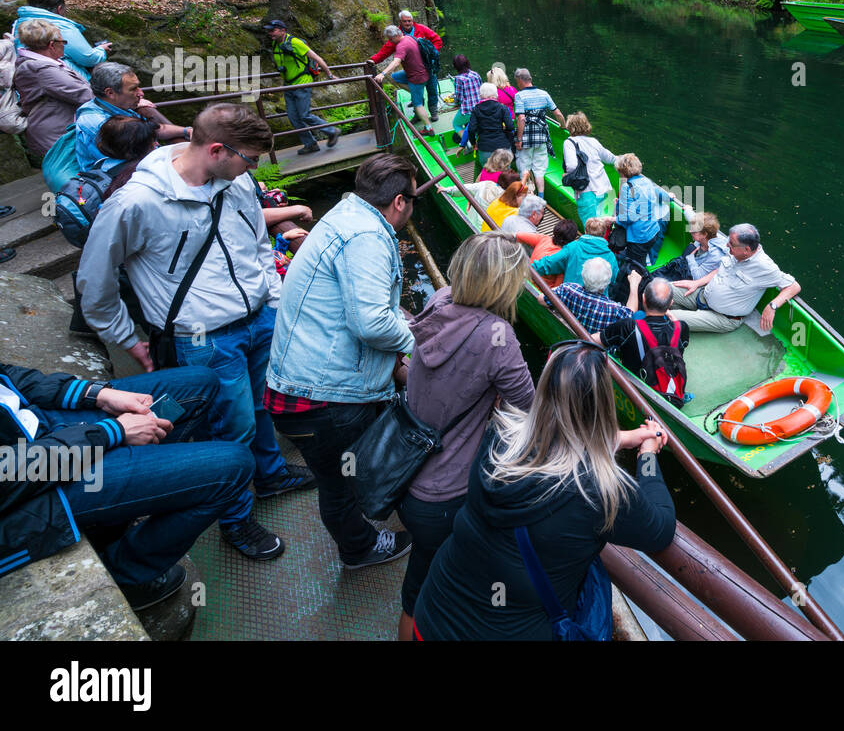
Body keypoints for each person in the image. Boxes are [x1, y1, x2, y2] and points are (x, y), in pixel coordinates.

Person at [77, 103, 316, 561]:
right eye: (248, 158)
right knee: (232, 428)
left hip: (258, 318)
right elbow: (95, 281)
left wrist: (273, 301)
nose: (253, 170)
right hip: (204, 337)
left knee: (262, 406)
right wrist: (127, 336)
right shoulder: (136, 202)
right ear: (216, 149)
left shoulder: (236, 180)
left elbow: (255, 246)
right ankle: (236, 519)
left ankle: (268, 475)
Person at [411, 341, 673, 640]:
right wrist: (648, 455)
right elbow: (660, 528)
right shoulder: (601, 490)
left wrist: (623, 438)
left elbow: (559, 437)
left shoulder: (500, 437)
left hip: (435, 613)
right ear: (603, 403)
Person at [265, 154, 420, 570]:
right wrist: (422, 344)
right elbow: (370, 321)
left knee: (340, 477)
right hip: (322, 396)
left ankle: (364, 532)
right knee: (340, 484)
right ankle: (359, 548)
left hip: (301, 383)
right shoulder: (367, 236)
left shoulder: (346, 215)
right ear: (400, 202)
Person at [1, 361, 253, 610]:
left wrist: (97, 394)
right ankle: (128, 576)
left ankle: (120, 511)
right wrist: (112, 431)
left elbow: (8, 375)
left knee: (200, 383)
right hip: (33, 485)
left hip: (33, 422)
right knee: (234, 467)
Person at [400, 232, 537, 640]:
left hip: (408, 477)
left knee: (416, 587)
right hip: (447, 495)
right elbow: (530, 408)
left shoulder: (439, 300)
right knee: (444, 597)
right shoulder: (498, 336)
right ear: (506, 284)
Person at [668, 223, 802, 334]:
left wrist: (772, 306)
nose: (727, 246)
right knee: (657, 291)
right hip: (702, 296)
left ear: (747, 249)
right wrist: (697, 283)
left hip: (722, 317)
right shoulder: (736, 252)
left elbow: (794, 286)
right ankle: (682, 312)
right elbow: (719, 270)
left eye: (731, 244)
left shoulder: (765, 267)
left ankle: (679, 315)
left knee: (666, 318)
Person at [75, 62, 188, 172]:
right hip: (116, 180)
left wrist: (186, 131)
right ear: (110, 93)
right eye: (134, 89)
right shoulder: (97, 123)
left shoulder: (117, 105)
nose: (141, 93)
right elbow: (131, 165)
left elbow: (154, 130)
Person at [597, 277, 691, 407]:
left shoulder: (627, 326)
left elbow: (593, 340)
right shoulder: (682, 328)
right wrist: (676, 323)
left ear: (643, 299)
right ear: (671, 304)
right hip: (669, 393)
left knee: (638, 316)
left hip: (635, 390)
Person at [11, 18, 90, 158]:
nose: (64, 45)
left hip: (59, 133)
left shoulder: (41, 64)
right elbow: (83, 94)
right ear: (52, 45)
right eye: (63, 42)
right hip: (56, 137)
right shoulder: (40, 69)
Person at [264, 19, 339, 155]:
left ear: (282, 30)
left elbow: (317, 58)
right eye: (269, 30)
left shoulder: (295, 42)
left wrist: (329, 75)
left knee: (304, 115)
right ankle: (310, 144)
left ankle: (331, 131)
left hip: (302, 82)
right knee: (293, 118)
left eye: (273, 30)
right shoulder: (275, 44)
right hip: (288, 86)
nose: (270, 33)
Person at [10, 0, 110, 82]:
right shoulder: (62, 27)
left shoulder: (20, 23)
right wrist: (101, 50)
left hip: (28, 79)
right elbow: (88, 58)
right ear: (59, 9)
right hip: (66, 80)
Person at [615, 153, 674, 269]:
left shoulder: (627, 187)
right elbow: (660, 194)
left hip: (639, 235)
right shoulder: (646, 181)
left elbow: (626, 218)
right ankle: (645, 263)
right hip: (653, 230)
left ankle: (637, 276)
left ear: (622, 172)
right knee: (641, 256)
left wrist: (613, 219)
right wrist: (669, 196)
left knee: (634, 264)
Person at [512, 68, 564, 199]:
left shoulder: (519, 96)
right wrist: (563, 126)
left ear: (519, 81)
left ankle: (527, 197)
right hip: (541, 138)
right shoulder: (544, 94)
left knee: (524, 168)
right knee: (539, 170)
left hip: (526, 139)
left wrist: (519, 139)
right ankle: (540, 197)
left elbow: (521, 119)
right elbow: (558, 113)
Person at [553, 258, 636, 336]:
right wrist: (634, 286)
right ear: (607, 282)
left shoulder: (568, 289)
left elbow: (541, 299)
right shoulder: (613, 310)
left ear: (583, 275)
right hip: (592, 350)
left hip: (564, 339)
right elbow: (630, 316)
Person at [533, 216, 618, 291]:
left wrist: (530, 269)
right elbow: (613, 281)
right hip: (595, 305)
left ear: (585, 231)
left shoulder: (573, 247)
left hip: (570, 297)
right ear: (603, 234)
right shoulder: (611, 257)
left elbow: (548, 264)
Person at [374, 24, 433, 133]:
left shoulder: (401, 46)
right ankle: (416, 94)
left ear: (395, 36)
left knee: (418, 105)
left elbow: (396, 62)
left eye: (390, 39)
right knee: (394, 77)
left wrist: (382, 73)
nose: (390, 42)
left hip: (417, 77)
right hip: (420, 72)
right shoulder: (409, 37)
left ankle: (429, 128)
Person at [562, 112, 618, 225]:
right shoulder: (593, 141)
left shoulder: (569, 142)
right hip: (605, 188)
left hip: (588, 191)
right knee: (604, 225)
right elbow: (610, 158)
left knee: (592, 228)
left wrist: (567, 175)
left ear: (570, 127)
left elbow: (571, 166)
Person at [98, 115, 160, 200]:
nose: (157, 144)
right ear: (139, 147)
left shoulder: (101, 163)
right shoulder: (136, 173)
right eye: (153, 141)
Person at [515, 219, 579, 289]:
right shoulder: (562, 259)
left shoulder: (543, 239)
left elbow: (518, 235)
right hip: (539, 294)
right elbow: (556, 290)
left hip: (525, 283)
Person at [367, 9, 442, 69]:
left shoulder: (421, 28)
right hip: (411, 66)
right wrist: (374, 60)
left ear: (412, 21)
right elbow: (386, 50)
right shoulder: (397, 34)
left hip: (427, 62)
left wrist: (432, 54)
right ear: (400, 22)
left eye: (409, 21)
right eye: (404, 21)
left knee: (431, 85)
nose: (407, 23)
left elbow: (437, 40)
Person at [465, 84, 514, 171]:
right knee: (505, 175)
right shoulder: (502, 108)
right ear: (495, 94)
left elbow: (471, 129)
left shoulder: (476, 109)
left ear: (481, 95)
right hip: (503, 146)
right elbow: (510, 126)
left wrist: (474, 144)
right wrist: (504, 132)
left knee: (489, 176)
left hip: (485, 147)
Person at [450, 54, 483, 137]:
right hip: (480, 107)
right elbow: (481, 90)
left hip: (468, 110)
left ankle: (468, 142)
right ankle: (474, 137)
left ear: (456, 66)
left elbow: (459, 97)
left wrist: (455, 100)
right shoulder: (475, 74)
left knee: (456, 124)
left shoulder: (458, 79)